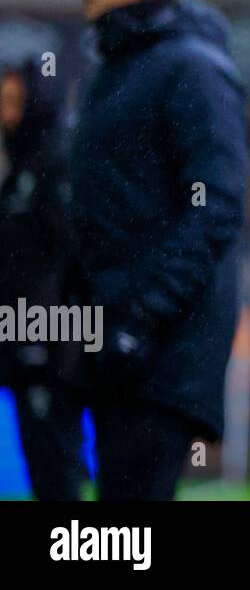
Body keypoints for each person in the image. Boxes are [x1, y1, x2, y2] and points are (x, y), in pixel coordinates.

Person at [65, 0, 248, 500]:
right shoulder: (114, 71)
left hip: (161, 354)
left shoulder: (193, 69)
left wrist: (141, 318)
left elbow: (216, 208)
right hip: (112, 348)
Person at [0, 56, 83, 500]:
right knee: (39, 461)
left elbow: (66, 257)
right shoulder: (19, 168)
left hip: (51, 348)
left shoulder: (55, 161)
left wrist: (50, 340)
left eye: (15, 101)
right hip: (22, 341)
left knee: (56, 464)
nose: (6, 113)